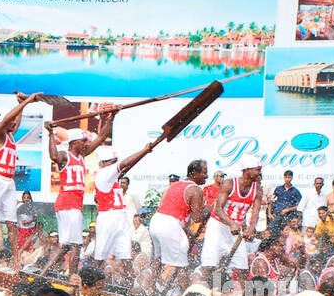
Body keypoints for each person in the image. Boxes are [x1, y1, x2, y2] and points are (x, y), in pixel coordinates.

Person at [0, 92, 43, 261]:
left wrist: (21, 103)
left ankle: (16, 259)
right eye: (10, 122)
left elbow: (15, 120)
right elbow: (7, 120)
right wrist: (26, 101)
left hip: (8, 182)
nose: (14, 124)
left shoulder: (11, 135)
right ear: (3, 121)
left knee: (12, 224)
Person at [42, 115, 113, 276]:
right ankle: (73, 278)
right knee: (76, 245)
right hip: (68, 204)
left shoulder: (82, 155)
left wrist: (112, 118)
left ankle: (44, 273)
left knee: (67, 245)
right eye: (82, 141)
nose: (85, 143)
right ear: (74, 143)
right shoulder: (65, 156)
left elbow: (101, 137)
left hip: (73, 205)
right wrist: (50, 133)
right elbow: (53, 156)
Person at [91, 143, 150, 276]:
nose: (115, 165)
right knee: (100, 258)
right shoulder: (104, 173)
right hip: (109, 218)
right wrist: (144, 150)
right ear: (104, 163)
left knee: (125, 256)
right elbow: (124, 165)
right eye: (113, 162)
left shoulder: (111, 176)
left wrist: (144, 153)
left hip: (120, 219)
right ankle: (86, 283)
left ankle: (132, 287)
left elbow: (127, 167)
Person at [148, 160, 209, 286]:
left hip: (156, 222)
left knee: (158, 261)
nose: (207, 176)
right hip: (170, 226)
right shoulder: (196, 190)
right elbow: (197, 218)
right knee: (182, 267)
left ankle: (148, 290)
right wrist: (212, 207)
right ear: (195, 173)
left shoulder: (175, 185)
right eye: (204, 172)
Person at [200, 161, 264, 278]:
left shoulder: (258, 189)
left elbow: (255, 212)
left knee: (242, 269)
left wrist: (250, 228)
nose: (260, 173)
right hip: (217, 227)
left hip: (235, 230)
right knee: (209, 265)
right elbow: (218, 209)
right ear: (247, 169)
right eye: (257, 170)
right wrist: (231, 223)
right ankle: (199, 290)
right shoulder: (229, 184)